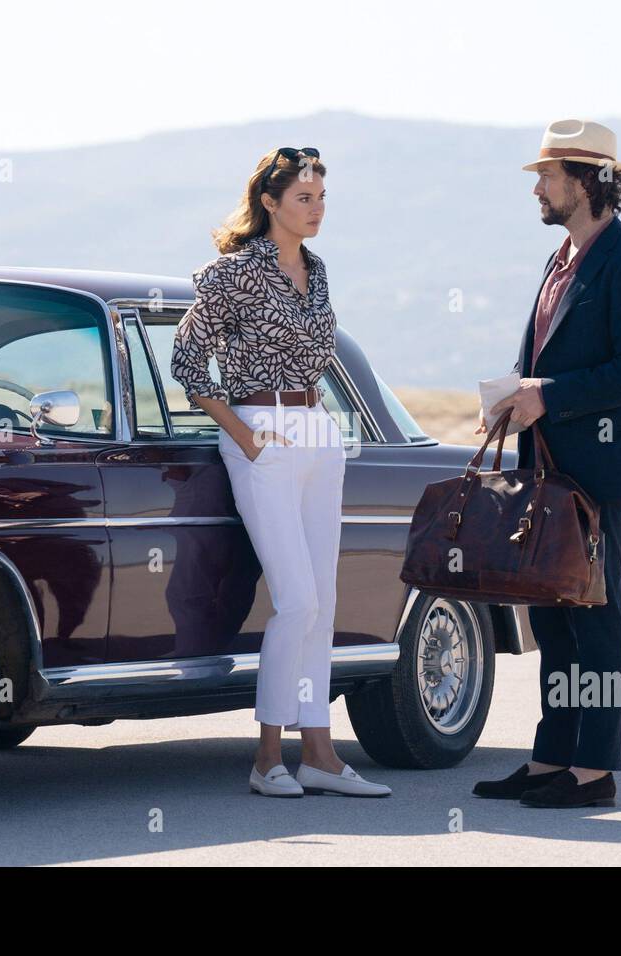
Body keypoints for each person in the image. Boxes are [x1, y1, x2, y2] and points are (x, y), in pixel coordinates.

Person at [170, 146, 391, 798]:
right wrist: (243, 433)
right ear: (270, 201)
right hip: (260, 434)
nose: (316, 208)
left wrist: (317, 429)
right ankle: (268, 757)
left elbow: (315, 359)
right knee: (295, 601)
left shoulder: (317, 272)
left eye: (321, 197)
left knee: (322, 605)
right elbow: (188, 365)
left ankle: (318, 754)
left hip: (318, 434)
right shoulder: (232, 274)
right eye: (303, 197)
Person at [473, 119, 621, 808]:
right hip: (545, 470)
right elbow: (551, 362)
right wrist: (514, 397)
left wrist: (546, 395)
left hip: (597, 474)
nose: (538, 188)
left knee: (597, 616)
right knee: (552, 619)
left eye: (547, 176)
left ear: (587, 181)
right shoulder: (560, 260)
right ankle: (553, 758)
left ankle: (596, 770)